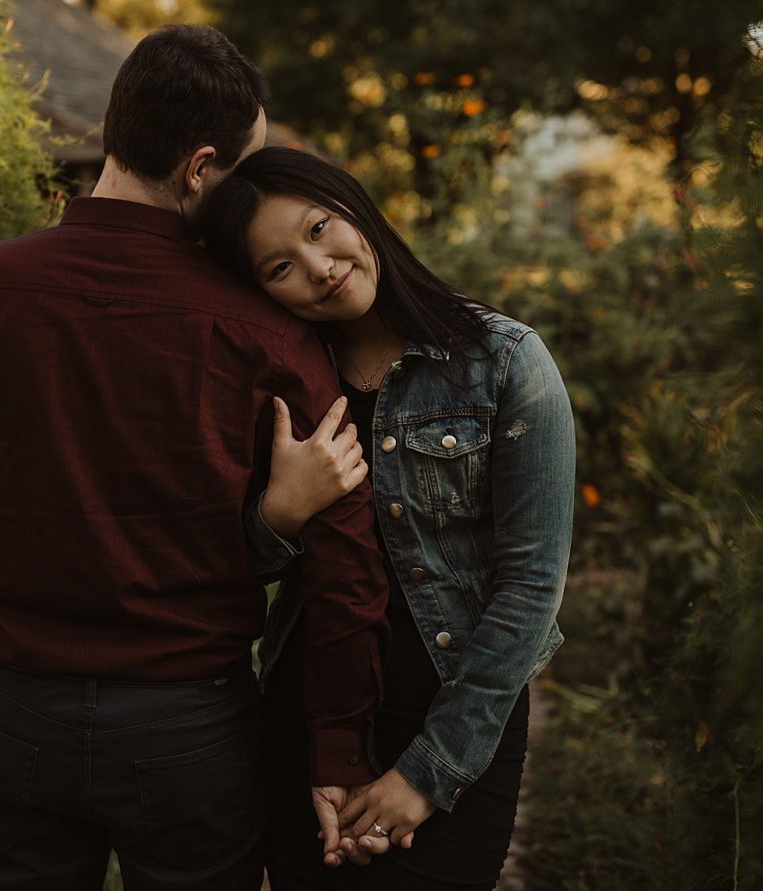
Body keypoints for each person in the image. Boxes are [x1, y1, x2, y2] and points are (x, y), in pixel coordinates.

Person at [0, 27, 390, 890]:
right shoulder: (264, 329)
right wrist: (337, 744)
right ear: (199, 169)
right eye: (244, 168)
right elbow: (347, 559)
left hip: (21, 717)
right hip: (188, 728)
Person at [202, 146, 575, 890]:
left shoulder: (505, 363)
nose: (318, 266)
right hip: (312, 721)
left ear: (352, 206)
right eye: (278, 267)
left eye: (317, 227)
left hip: (459, 717)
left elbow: (532, 586)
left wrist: (427, 773)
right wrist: (282, 511)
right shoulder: (277, 391)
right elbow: (231, 568)